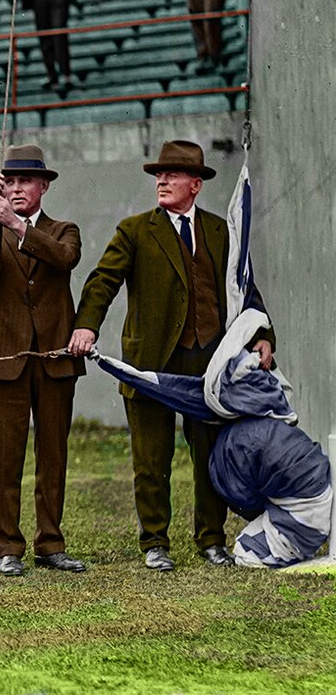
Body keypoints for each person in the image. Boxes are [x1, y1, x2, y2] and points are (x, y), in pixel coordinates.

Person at [68, 140, 275, 571]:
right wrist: (87, 324)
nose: (161, 180)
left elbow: (244, 287)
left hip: (210, 366)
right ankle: (155, 543)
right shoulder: (135, 229)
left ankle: (212, 539)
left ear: (195, 185)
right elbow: (102, 281)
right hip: (151, 366)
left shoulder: (222, 231)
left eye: (172, 174)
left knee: (212, 457)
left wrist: (262, 335)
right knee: (151, 459)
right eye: (159, 175)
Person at [0, 144, 86, 577]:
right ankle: (8, 546)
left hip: (55, 359)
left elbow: (64, 259)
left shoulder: (63, 230)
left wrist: (16, 225)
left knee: (52, 454)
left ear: (43, 186)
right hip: (5, 359)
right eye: (10, 181)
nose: (17, 188)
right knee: (5, 458)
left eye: (25, 181)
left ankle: (51, 543)